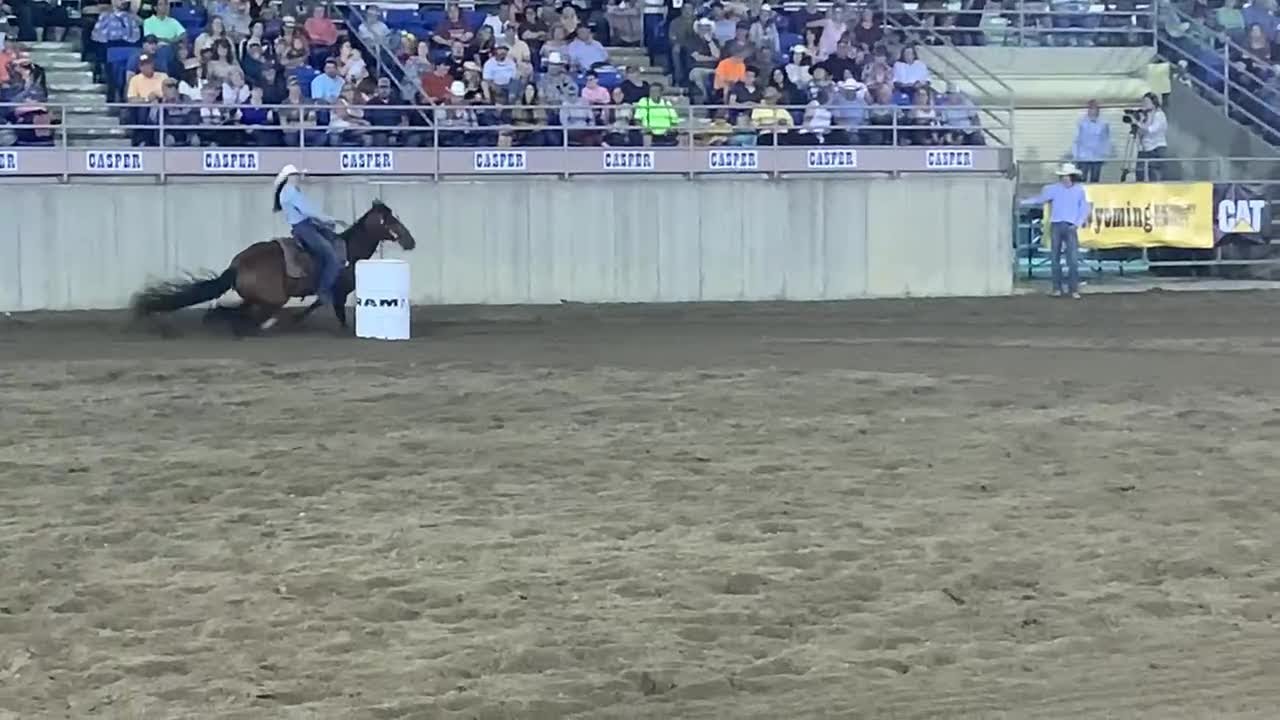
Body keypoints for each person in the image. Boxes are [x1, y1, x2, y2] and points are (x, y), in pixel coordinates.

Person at [272, 165, 344, 306]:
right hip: (304, 228)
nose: (299, 177)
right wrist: (327, 219)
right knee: (331, 256)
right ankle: (323, 289)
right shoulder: (290, 192)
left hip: (305, 226)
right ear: (289, 177)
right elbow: (308, 210)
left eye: (298, 175)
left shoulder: (290, 191)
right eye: (296, 175)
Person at [1020, 162, 1091, 299]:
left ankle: (1071, 289)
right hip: (1058, 225)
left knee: (1072, 260)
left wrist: (1077, 224)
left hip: (1068, 226)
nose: (1065, 178)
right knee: (1056, 258)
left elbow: (1084, 209)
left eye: (1067, 176)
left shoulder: (1078, 190)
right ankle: (1060, 289)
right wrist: (1024, 202)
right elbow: (1040, 199)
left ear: (1072, 177)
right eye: (1063, 176)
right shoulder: (1056, 189)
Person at [1071, 99, 1110, 182]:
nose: (1093, 110)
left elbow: (1106, 139)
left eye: (1095, 108)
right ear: (1088, 109)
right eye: (1091, 108)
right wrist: (1075, 155)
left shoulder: (1104, 123)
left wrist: (1105, 154)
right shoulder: (1081, 122)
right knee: (1081, 178)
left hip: (1097, 156)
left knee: (1095, 179)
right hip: (1083, 156)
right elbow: (1076, 139)